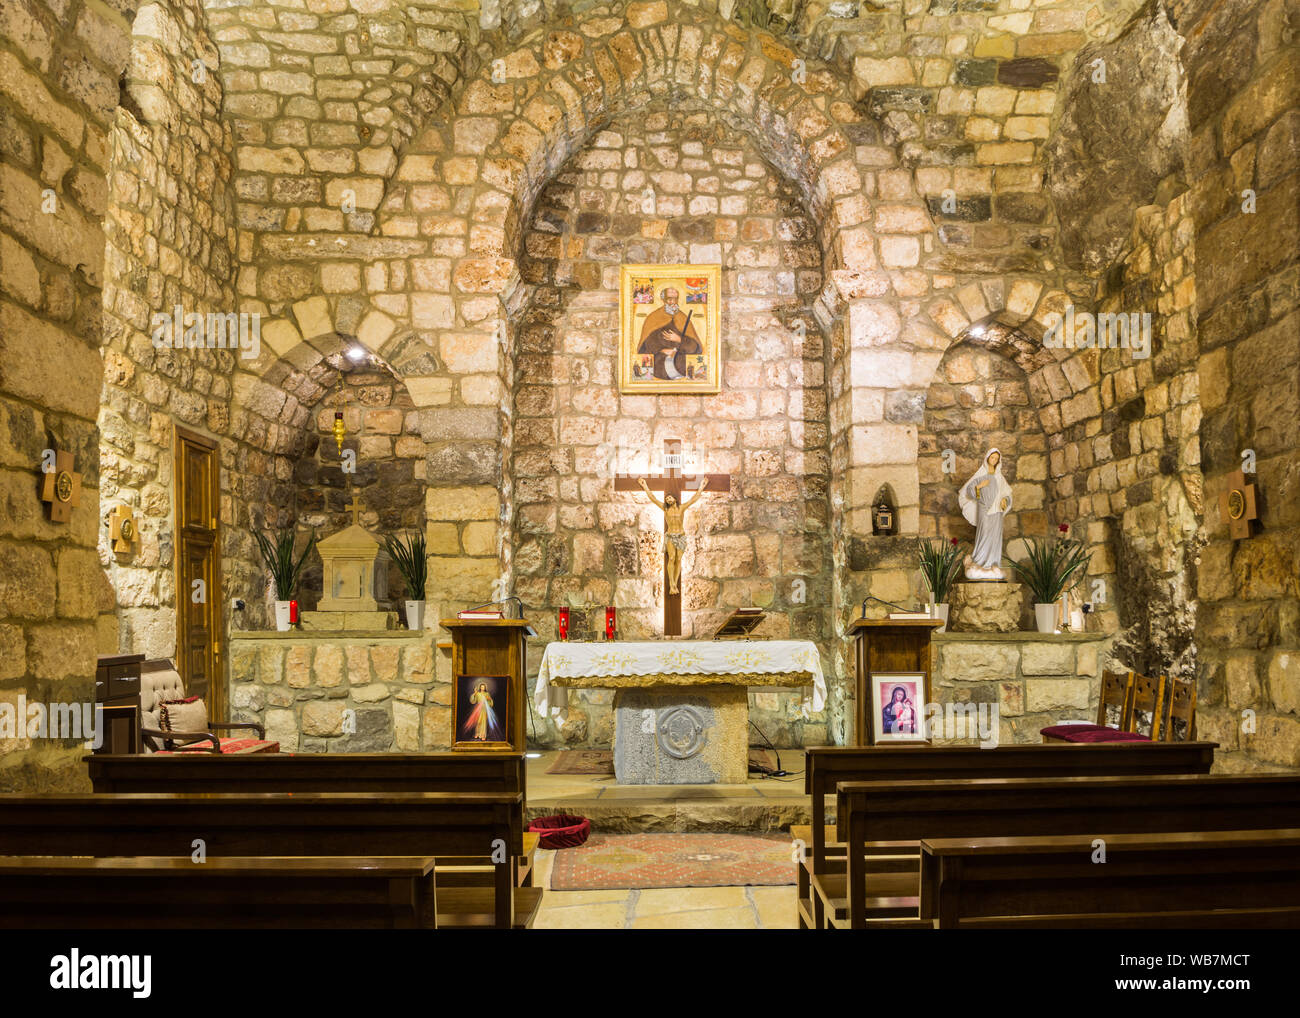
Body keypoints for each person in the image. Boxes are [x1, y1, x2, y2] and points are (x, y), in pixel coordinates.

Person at [638, 476, 709, 594]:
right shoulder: (666, 510)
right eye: (666, 499)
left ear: (675, 499)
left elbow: (693, 499)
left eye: (669, 497)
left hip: (681, 536)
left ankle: (674, 584)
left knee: (679, 559)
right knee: (671, 558)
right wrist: (645, 485)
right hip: (670, 536)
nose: (668, 500)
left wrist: (702, 486)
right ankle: (671, 583)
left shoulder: (681, 508)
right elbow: (653, 498)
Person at [958, 447, 1013, 580]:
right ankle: (980, 561)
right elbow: (970, 491)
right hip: (985, 510)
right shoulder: (981, 474)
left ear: (999, 461)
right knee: (984, 533)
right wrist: (979, 486)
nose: (993, 460)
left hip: (997, 512)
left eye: (996, 459)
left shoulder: (1000, 477)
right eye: (992, 457)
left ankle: (993, 563)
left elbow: (1007, 494)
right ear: (987, 458)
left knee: (995, 536)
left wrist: (1005, 500)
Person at [636, 287, 703, 380]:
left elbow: (695, 347)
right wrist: (662, 350)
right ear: (663, 300)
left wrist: (680, 340)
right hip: (659, 367)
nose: (673, 302)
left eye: (675, 299)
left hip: (680, 368)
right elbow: (646, 345)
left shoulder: (683, 318)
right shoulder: (653, 317)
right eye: (669, 299)